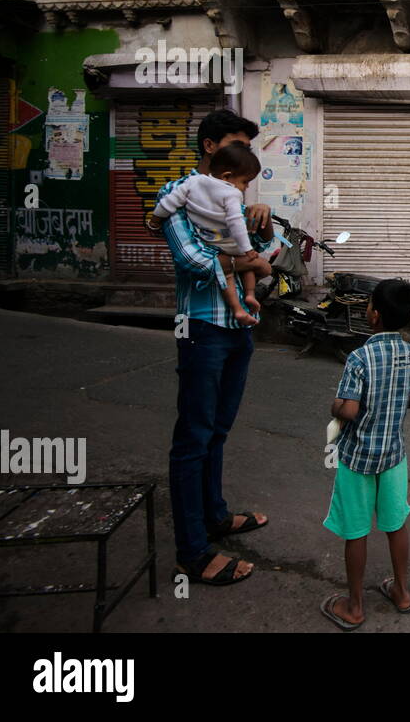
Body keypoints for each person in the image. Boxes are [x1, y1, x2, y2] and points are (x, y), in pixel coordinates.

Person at [155, 108, 274, 587]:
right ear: (211, 147)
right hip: (201, 328)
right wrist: (246, 257)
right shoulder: (179, 195)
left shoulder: (234, 193)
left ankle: (215, 516)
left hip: (238, 328)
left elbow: (269, 252)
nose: (244, 156)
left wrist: (263, 232)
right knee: (194, 437)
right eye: (236, 144)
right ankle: (192, 552)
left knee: (218, 430)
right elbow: (192, 260)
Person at [320, 279, 410, 631]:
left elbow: (349, 411)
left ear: (375, 316)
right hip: (394, 457)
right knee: (396, 524)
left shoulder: (360, 357)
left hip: (358, 458)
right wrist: (397, 403)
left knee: (356, 531)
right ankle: (401, 593)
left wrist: (335, 405)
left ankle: (354, 607)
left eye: (369, 304)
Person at [150, 143, 265, 326]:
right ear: (227, 176)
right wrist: (247, 251)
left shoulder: (192, 183)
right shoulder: (231, 193)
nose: (246, 187)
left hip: (207, 240)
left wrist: (155, 220)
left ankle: (237, 309)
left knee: (227, 275)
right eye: (245, 181)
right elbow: (236, 225)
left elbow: (169, 203)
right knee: (248, 265)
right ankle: (250, 295)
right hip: (196, 320)